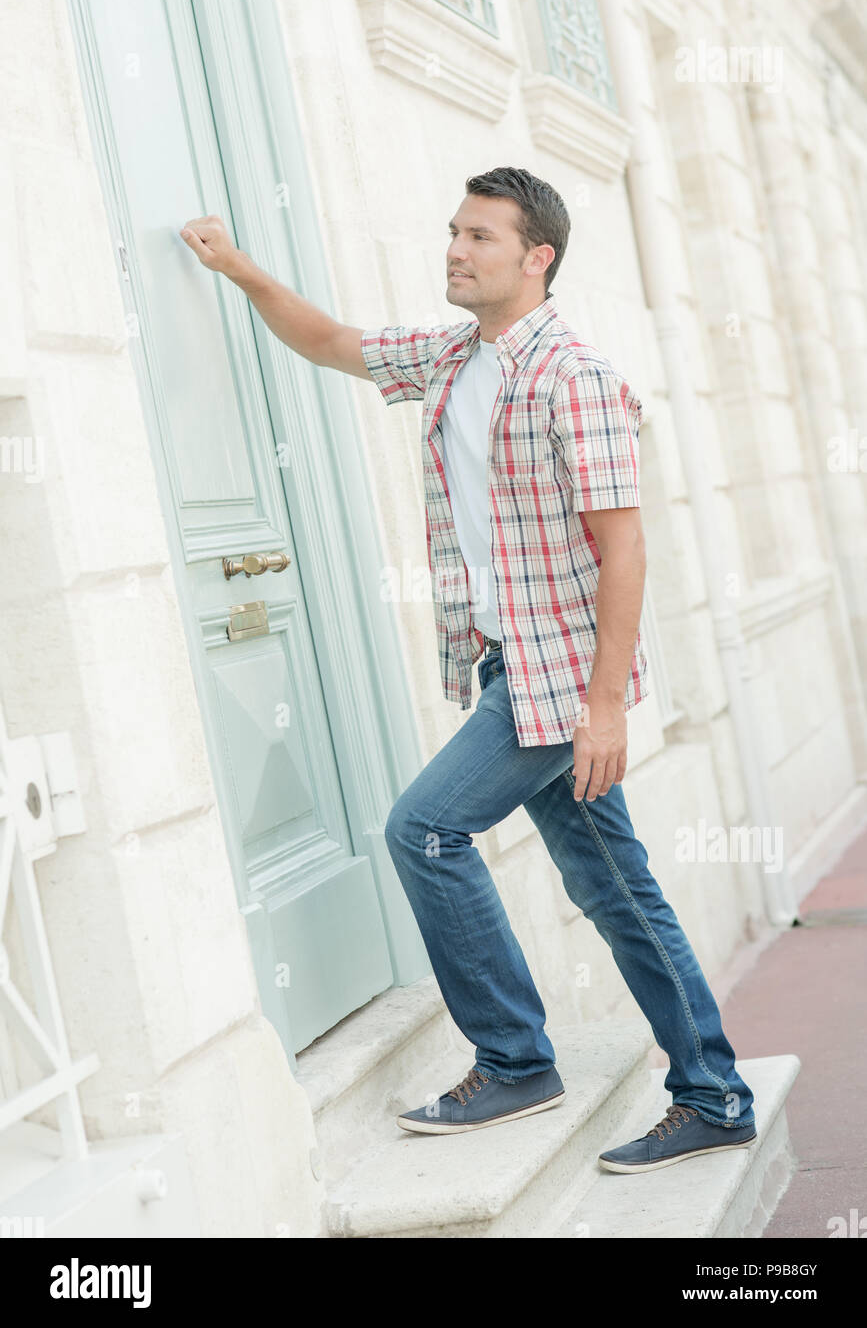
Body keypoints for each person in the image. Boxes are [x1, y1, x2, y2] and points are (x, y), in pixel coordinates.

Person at [180, 165, 756, 1173]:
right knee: (621, 891)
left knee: (425, 829)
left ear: (537, 258)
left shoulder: (572, 378)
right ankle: (710, 1092)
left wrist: (605, 706)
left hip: (562, 681)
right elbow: (329, 341)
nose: (455, 248)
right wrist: (235, 268)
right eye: (453, 230)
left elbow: (625, 547)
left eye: (480, 236)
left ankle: (516, 1059)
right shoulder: (453, 358)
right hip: (510, 671)